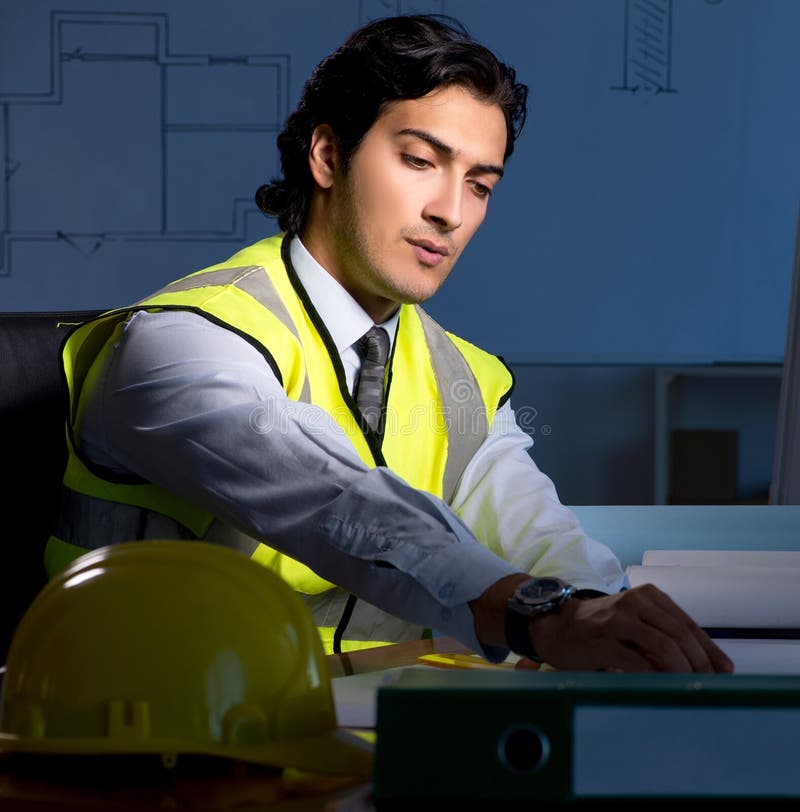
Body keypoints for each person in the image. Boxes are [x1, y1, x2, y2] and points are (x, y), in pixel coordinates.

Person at [50, 14, 733, 674]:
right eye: (418, 160)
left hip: (351, 744)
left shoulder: (457, 374)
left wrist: (603, 618)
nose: (451, 211)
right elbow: (334, 502)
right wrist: (539, 614)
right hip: (152, 747)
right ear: (327, 156)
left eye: (479, 184)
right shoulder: (182, 343)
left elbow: (534, 530)